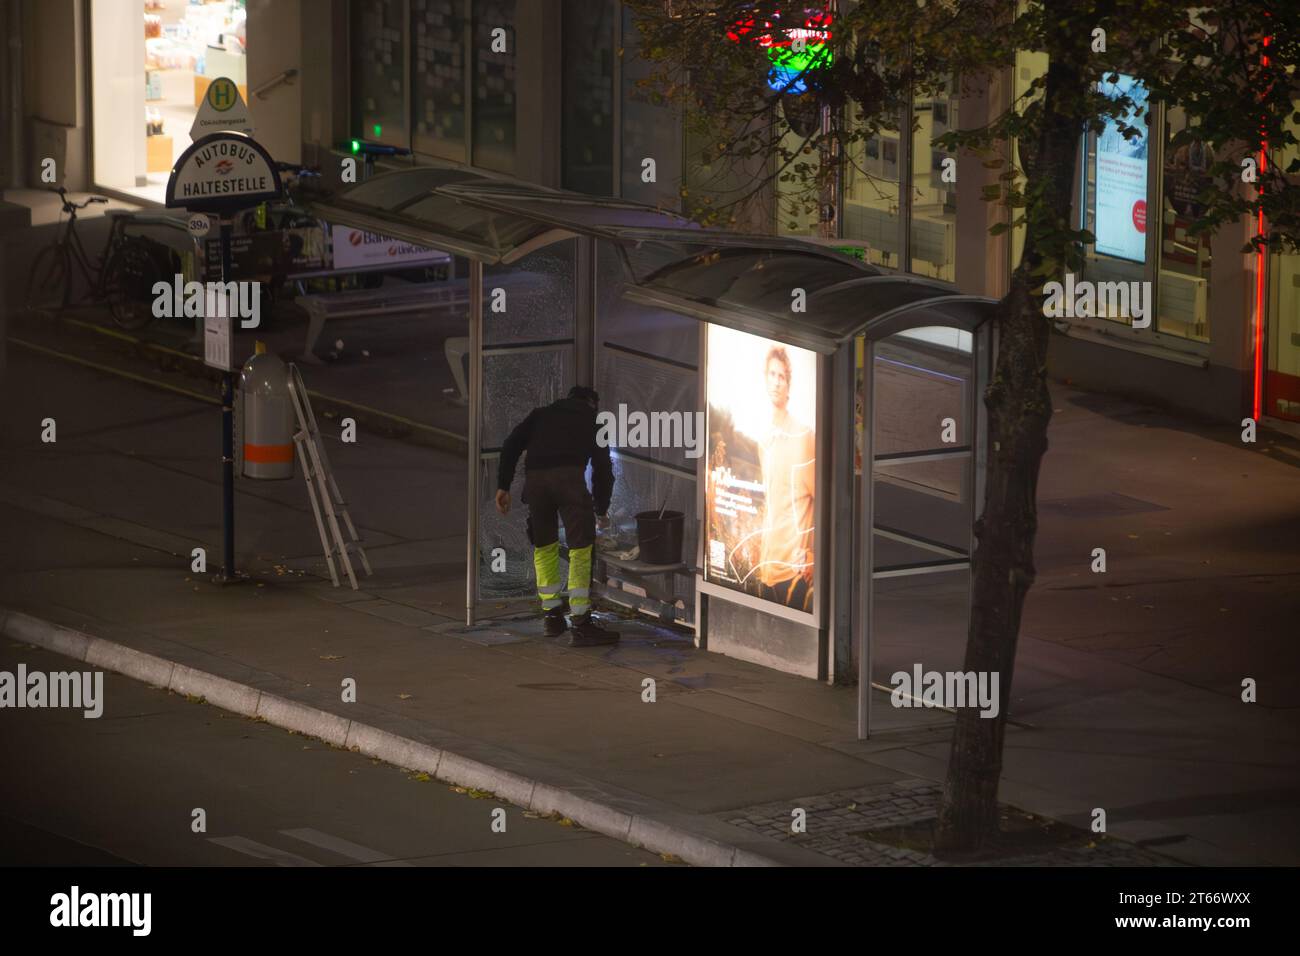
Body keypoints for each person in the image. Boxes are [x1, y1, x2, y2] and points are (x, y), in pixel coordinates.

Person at [495, 386, 619, 646]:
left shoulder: (541, 414)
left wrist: (503, 485)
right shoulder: (592, 419)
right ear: (592, 403)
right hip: (569, 482)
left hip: (537, 484)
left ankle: (551, 616)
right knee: (580, 549)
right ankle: (581, 622)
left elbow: (511, 444)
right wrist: (601, 507)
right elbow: (603, 467)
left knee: (545, 546)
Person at [756, 346, 815, 611]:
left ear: (789, 385)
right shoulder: (764, 438)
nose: (776, 381)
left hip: (793, 570)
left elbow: (822, 500)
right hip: (766, 566)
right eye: (772, 374)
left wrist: (812, 554)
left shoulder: (804, 437)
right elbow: (772, 499)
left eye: (782, 376)